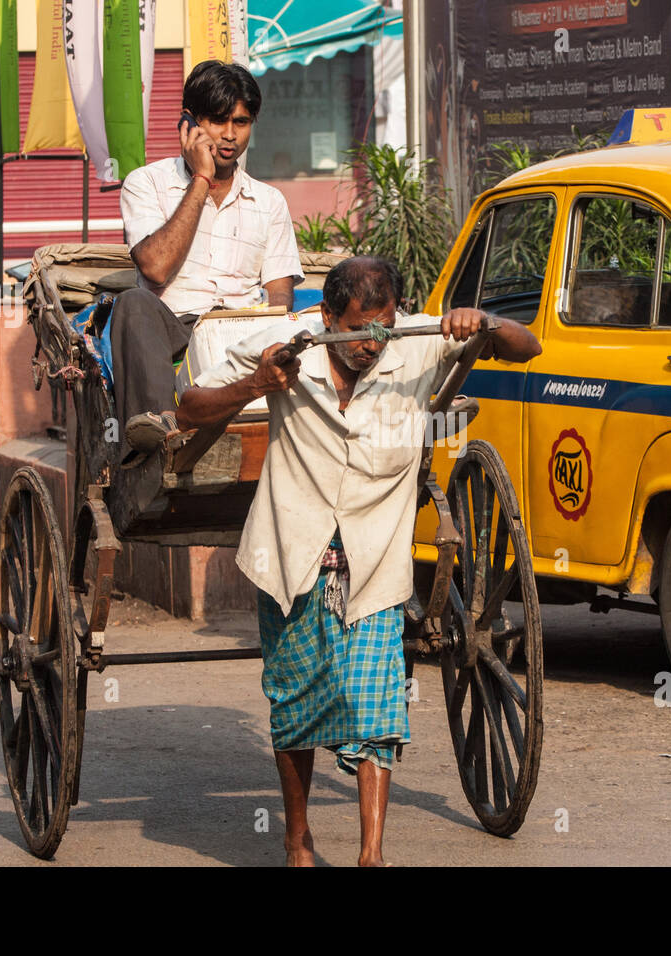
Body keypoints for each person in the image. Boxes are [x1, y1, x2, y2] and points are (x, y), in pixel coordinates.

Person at [176, 257, 541, 865]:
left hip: (374, 565)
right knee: (294, 709)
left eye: (384, 325)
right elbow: (189, 406)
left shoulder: (417, 347)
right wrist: (256, 387)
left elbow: (526, 346)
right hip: (290, 558)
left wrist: (484, 322)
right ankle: (297, 840)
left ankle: (372, 854)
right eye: (357, 329)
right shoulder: (286, 346)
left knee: (376, 706)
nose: (371, 343)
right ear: (325, 317)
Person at [114, 59, 302, 452]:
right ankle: (161, 432)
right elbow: (155, 267)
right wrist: (201, 178)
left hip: (244, 332)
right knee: (133, 303)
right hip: (174, 330)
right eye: (218, 121)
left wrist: (275, 340)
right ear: (189, 123)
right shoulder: (145, 183)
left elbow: (280, 298)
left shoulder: (270, 202)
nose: (230, 135)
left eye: (242, 122)